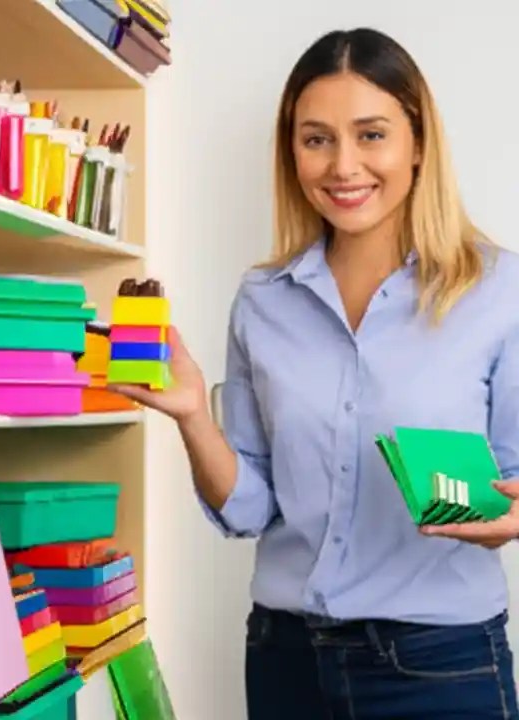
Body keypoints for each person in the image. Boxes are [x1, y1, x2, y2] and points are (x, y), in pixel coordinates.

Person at [112, 28, 519, 719]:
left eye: (371, 135)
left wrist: (502, 514)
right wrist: (192, 417)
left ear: (417, 145)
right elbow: (249, 510)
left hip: (440, 666)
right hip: (285, 657)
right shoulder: (263, 301)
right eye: (316, 139)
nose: (343, 166)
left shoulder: (496, 292)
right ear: (291, 152)